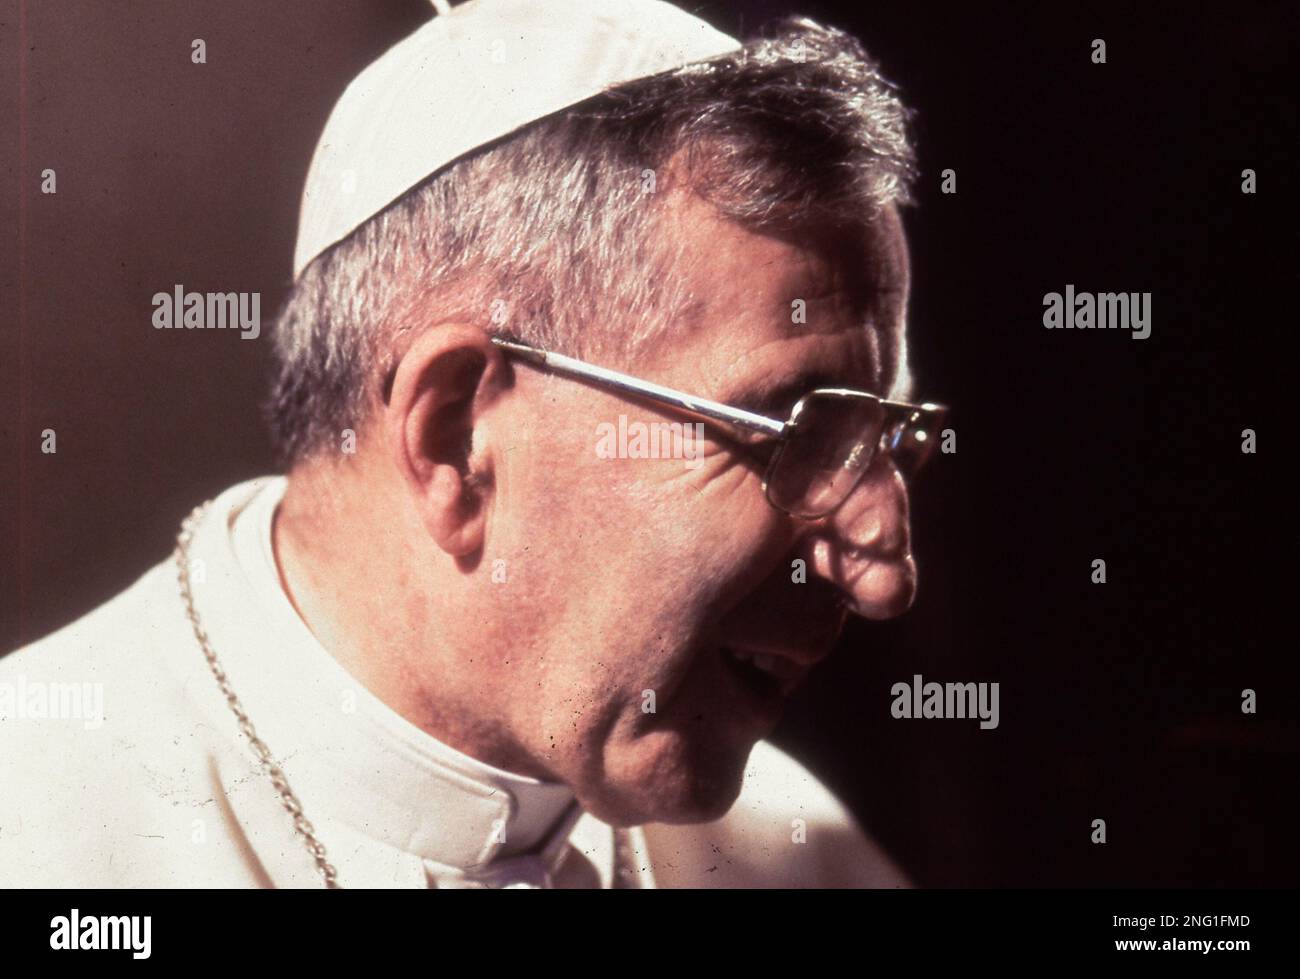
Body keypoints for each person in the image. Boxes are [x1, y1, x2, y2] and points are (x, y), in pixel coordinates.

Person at [0, 0, 944, 888]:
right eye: (804, 435)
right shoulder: (39, 826)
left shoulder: (793, 855)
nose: (884, 577)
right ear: (455, 436)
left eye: (889, 442)